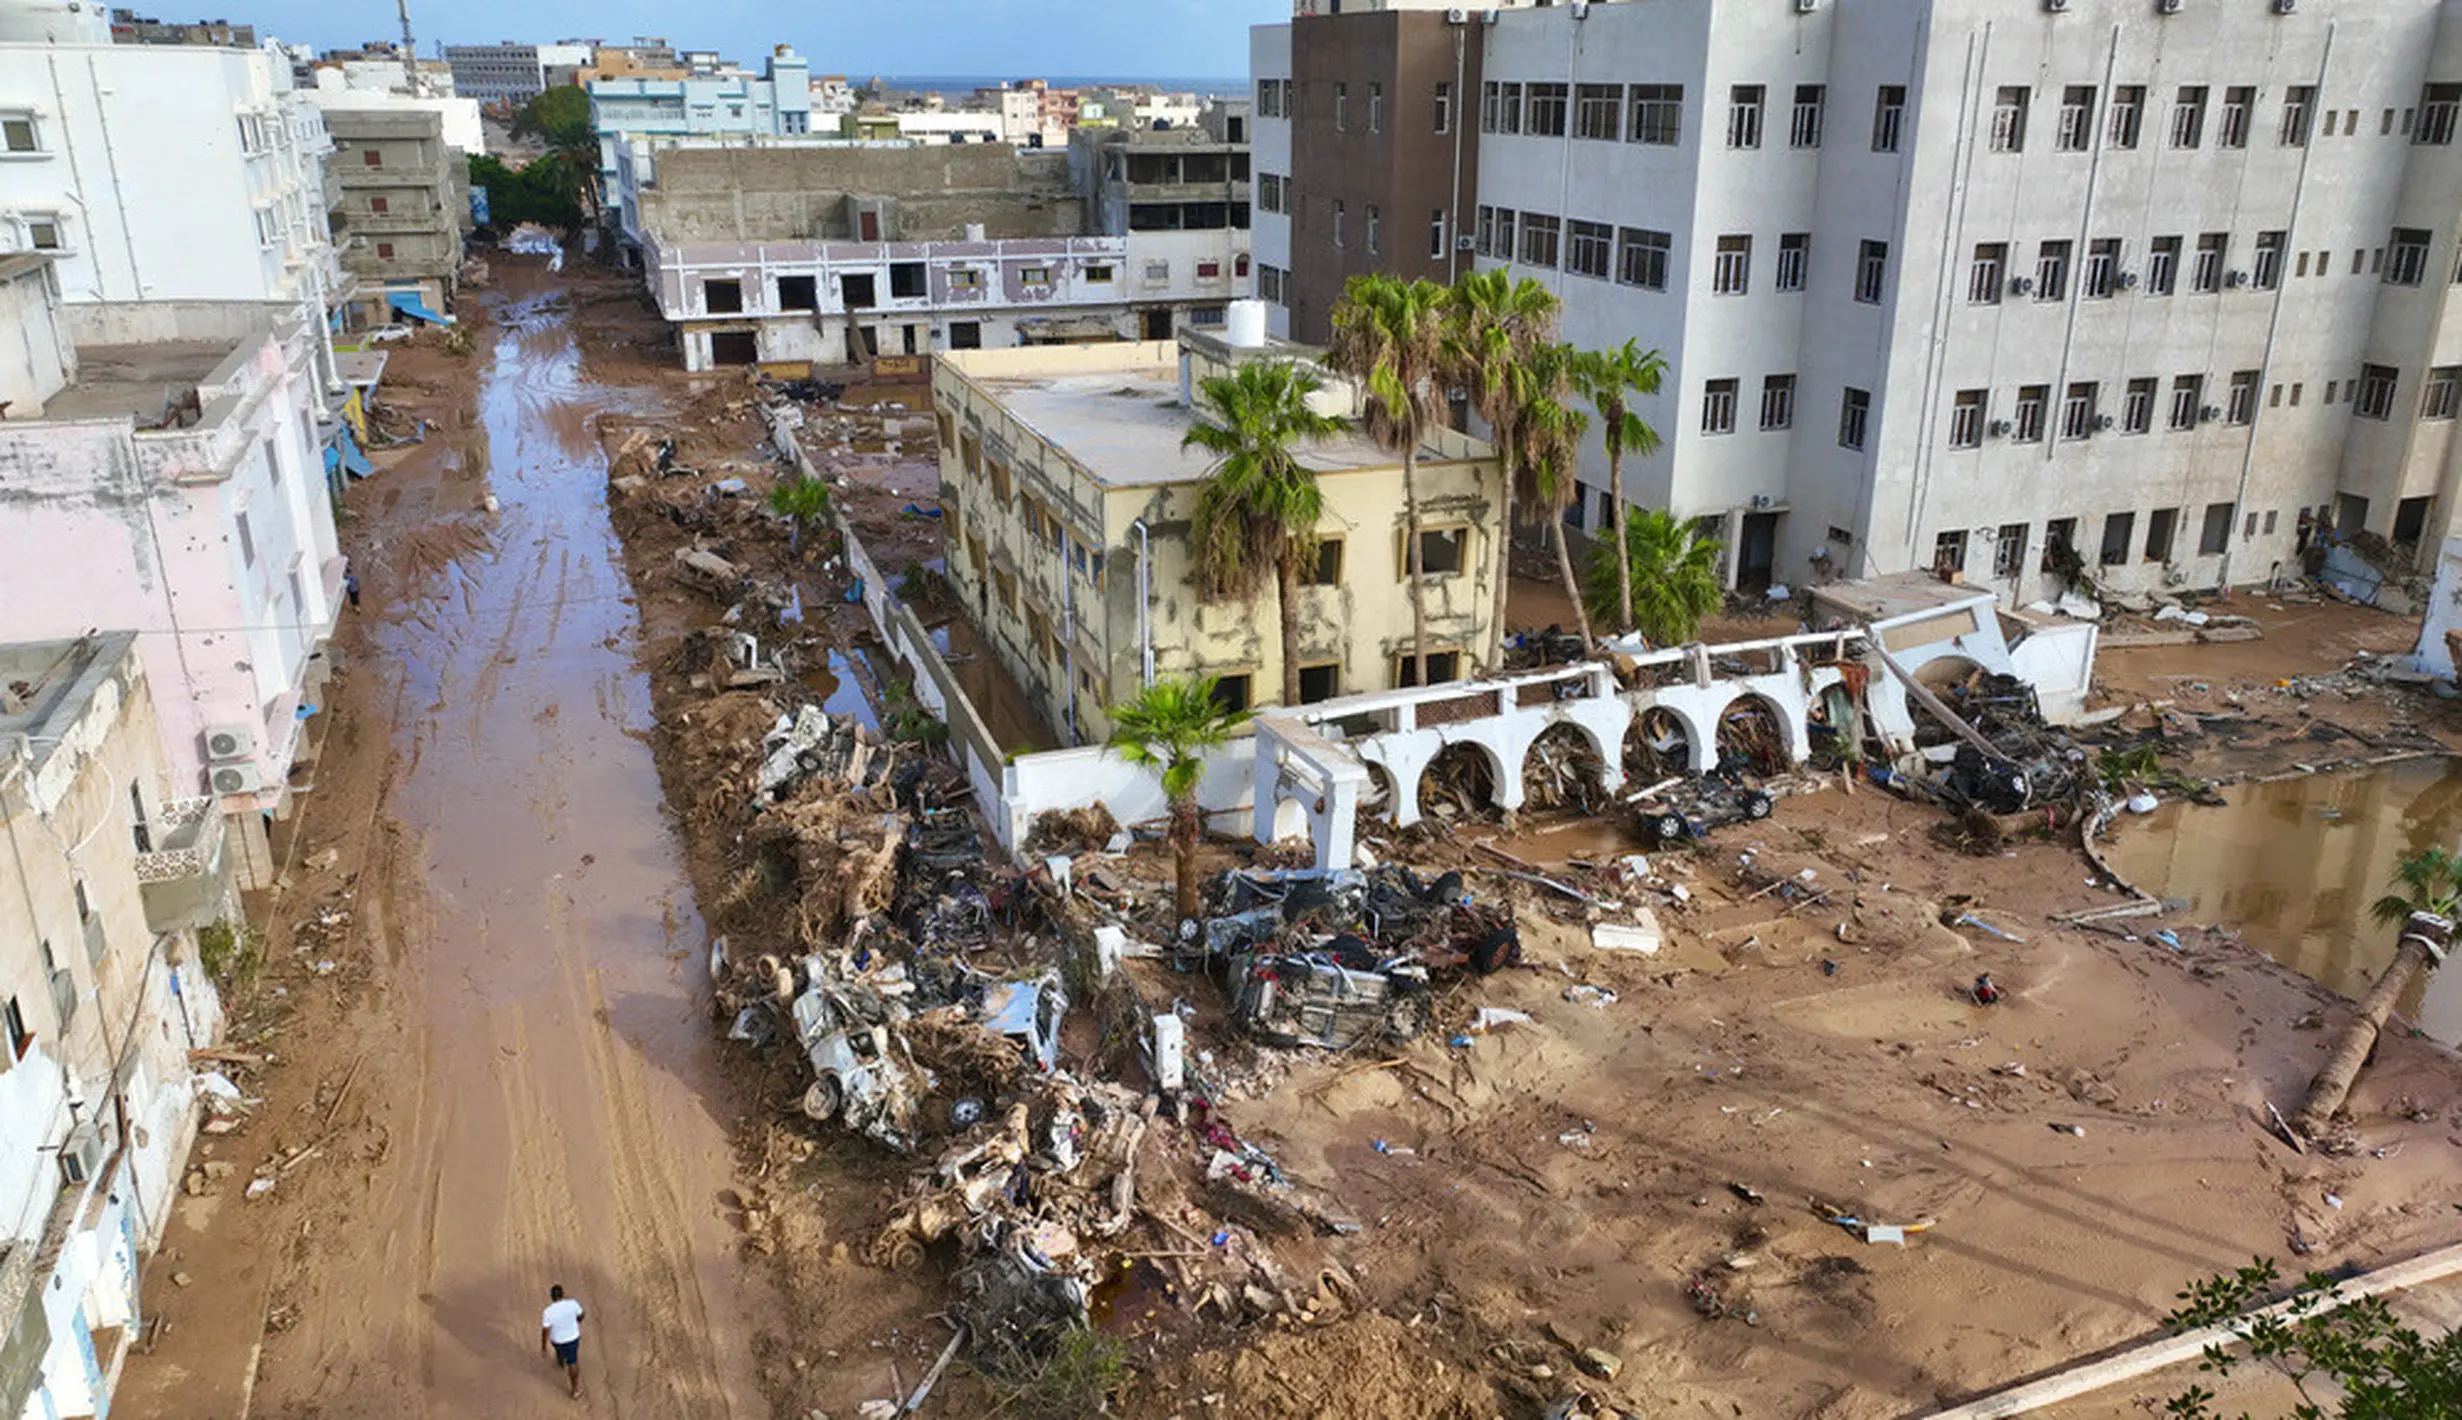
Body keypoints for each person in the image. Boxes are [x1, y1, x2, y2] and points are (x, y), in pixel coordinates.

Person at [540, 1284, 585, 1398]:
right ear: (563, 1294)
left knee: (560, 1352)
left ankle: (560, 1362)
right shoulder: (573, 1303)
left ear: (551, 1297)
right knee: (573, 1362)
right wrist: (577, 1321)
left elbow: (545, 1330)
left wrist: (544, 1347)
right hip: (572, 1337)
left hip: (557, 1340)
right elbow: (581, 1314)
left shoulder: (548, 1311)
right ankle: (575, 1389)